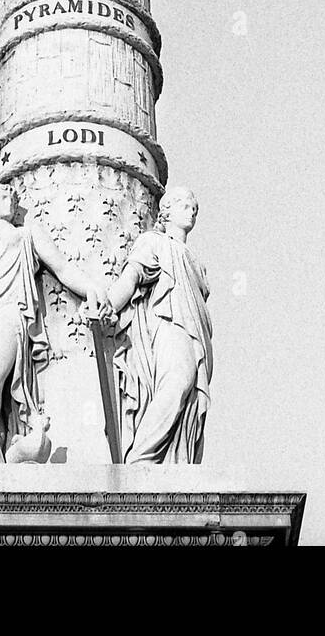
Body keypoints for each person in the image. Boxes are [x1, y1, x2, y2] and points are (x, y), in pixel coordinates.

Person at [0, 178, 103, 463]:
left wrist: (94, 291)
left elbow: (62, 268)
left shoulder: (27, 234)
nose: (11, 197)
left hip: (10, 311)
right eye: (3, 194)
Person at [101, 186, 212, 463]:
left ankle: (172, 460)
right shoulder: (154, 242)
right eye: (184, 205)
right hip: (169, 323)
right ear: (166, 211)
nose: (192, 211)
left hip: (196, 334)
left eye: (194, 207)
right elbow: (132, 277)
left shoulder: (196, 262)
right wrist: (110, 304)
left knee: (190, 399)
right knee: (177, 382)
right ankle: (141, 456)